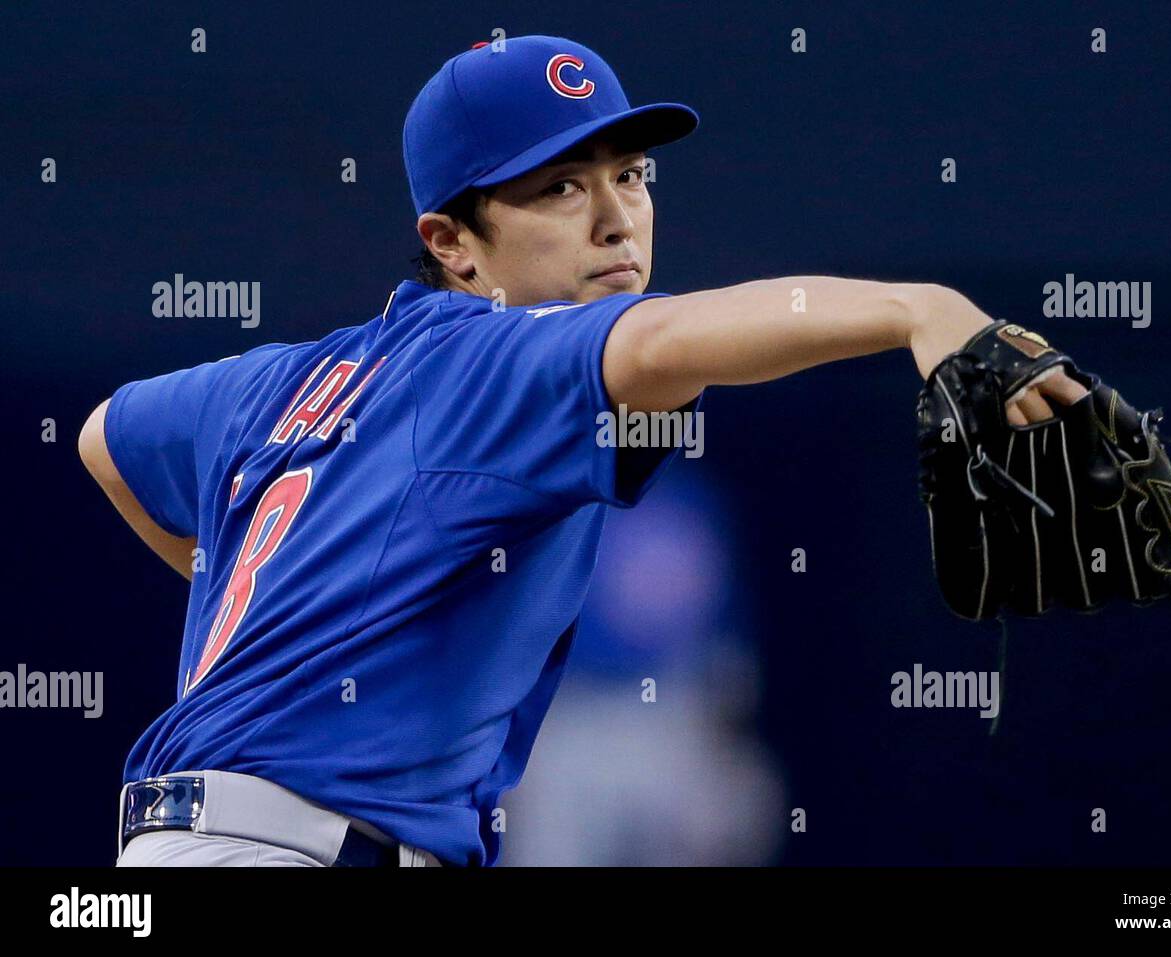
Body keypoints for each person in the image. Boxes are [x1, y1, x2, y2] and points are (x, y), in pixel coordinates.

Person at [78, 34, 1083, 867]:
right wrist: (922, 307)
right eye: (559, 188)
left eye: (631, 176)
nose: (615, 219)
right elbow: (663, 340)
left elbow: (105, 441)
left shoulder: (277, 382)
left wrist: (276, 612)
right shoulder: (495, 355)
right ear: (452, 243)